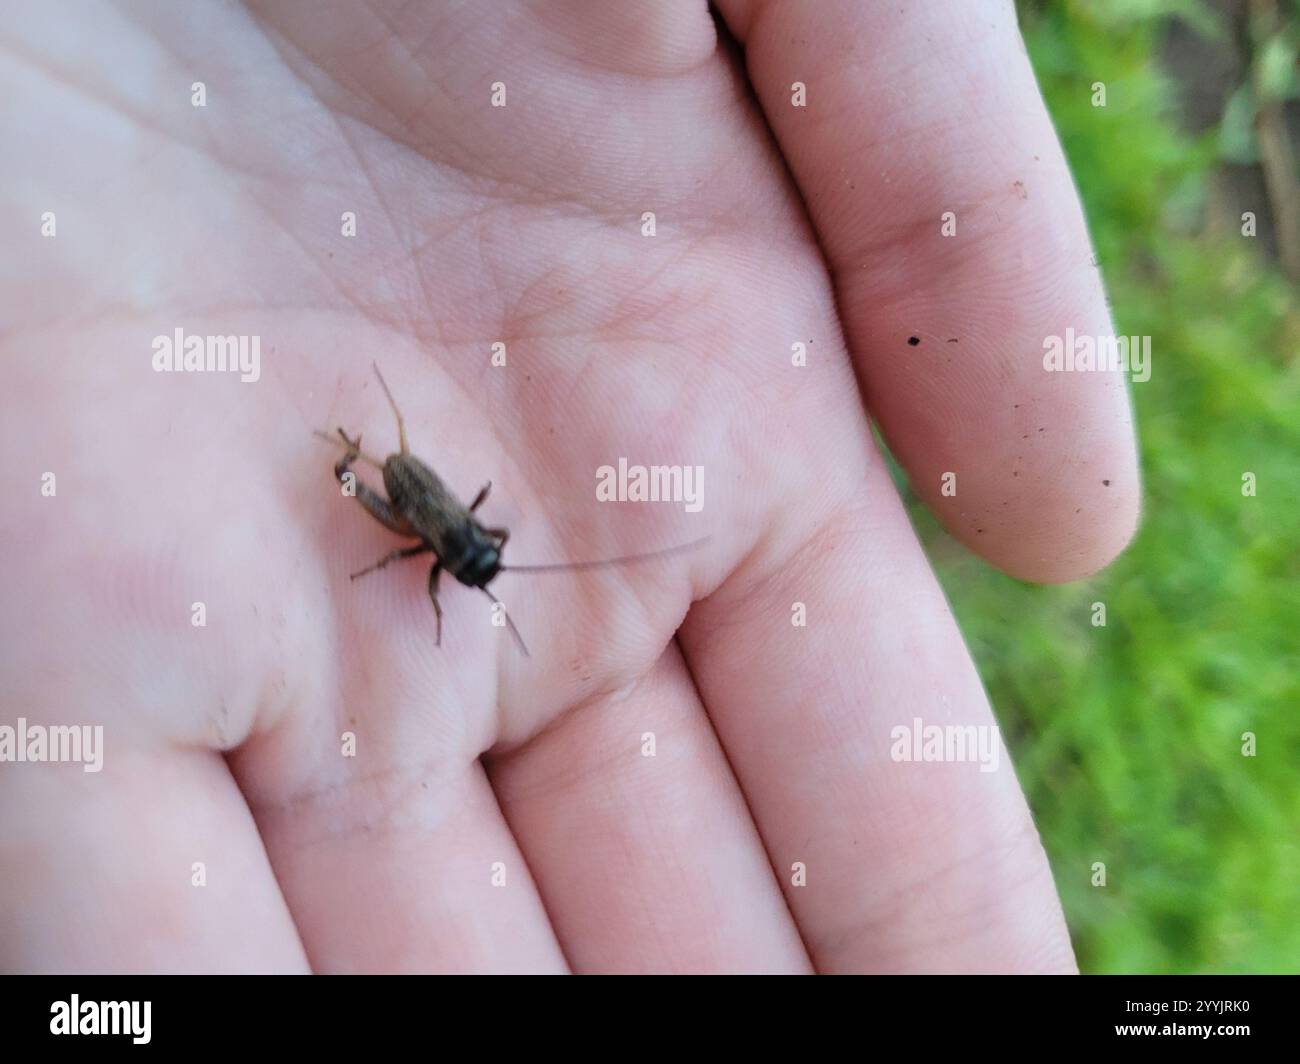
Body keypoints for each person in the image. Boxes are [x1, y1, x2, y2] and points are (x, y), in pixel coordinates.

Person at [0, 0, 1138, 973]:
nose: (467, 560)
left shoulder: (445, 547)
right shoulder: (439, 548)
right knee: (381, 481)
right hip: (400, 472)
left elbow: (430, 543)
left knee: (383, 482)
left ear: (462, 552)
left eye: (469, 563)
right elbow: (424, 541)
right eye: (472, 559)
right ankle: (340, 450)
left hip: (402, 473)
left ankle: (342, 448)